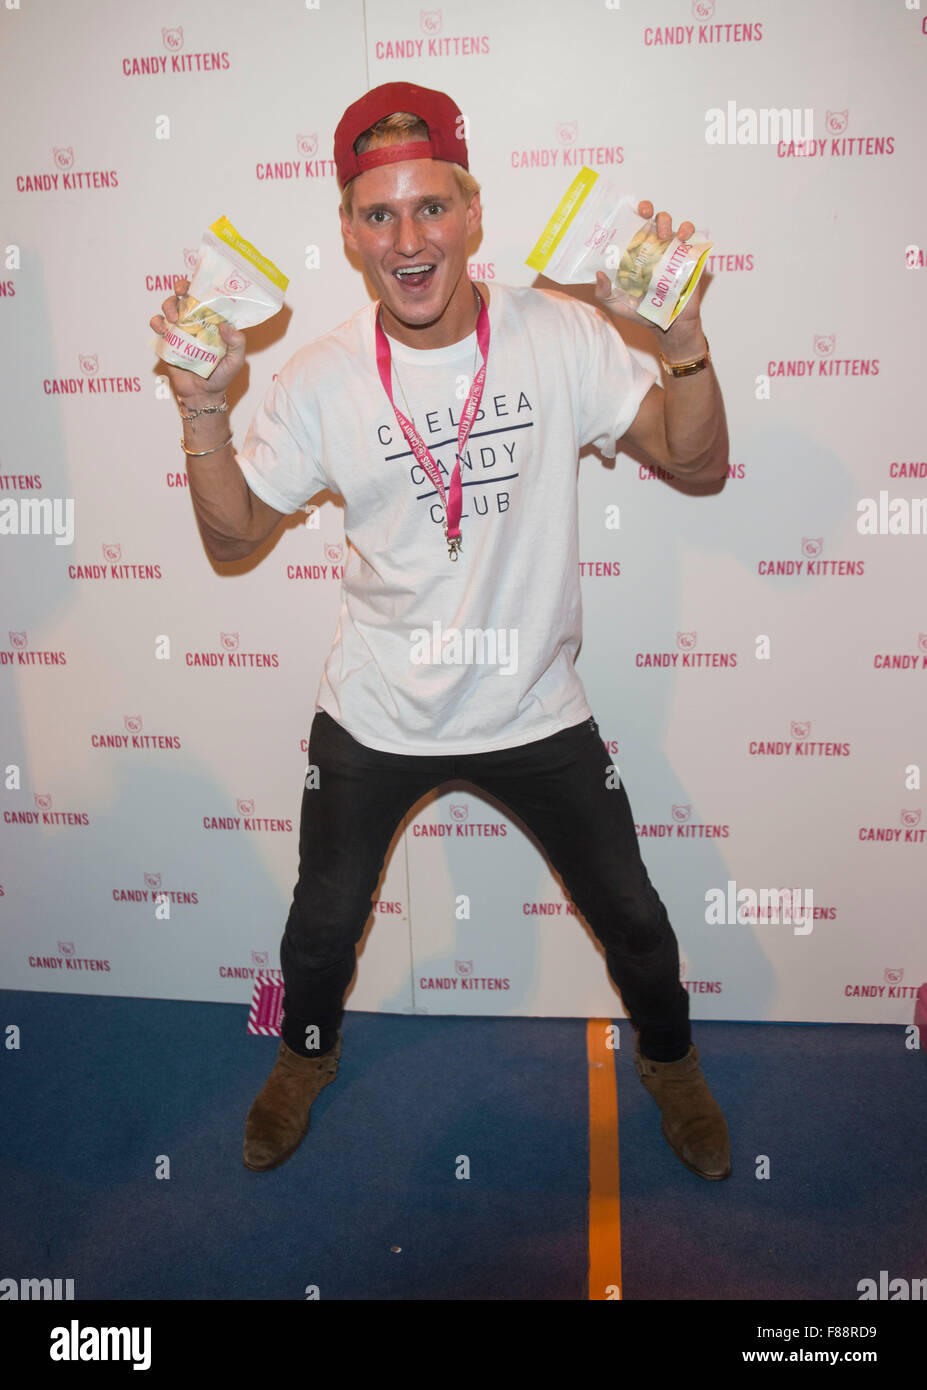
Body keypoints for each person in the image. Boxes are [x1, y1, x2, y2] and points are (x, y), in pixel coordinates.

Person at [150, 81, 732, 1182]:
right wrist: (202, 410)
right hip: (375, 709)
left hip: (531, 702)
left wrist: (686, 345)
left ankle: (670, 1057)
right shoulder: (321, 379)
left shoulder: (559, 333)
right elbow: (233, 540)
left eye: (429, 208)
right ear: (350, 233)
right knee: (320, 932)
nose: (407, 240)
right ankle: (305, 1055)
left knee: (638, 920)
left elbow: (695, 463)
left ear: (471, 213)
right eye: (379, 215)